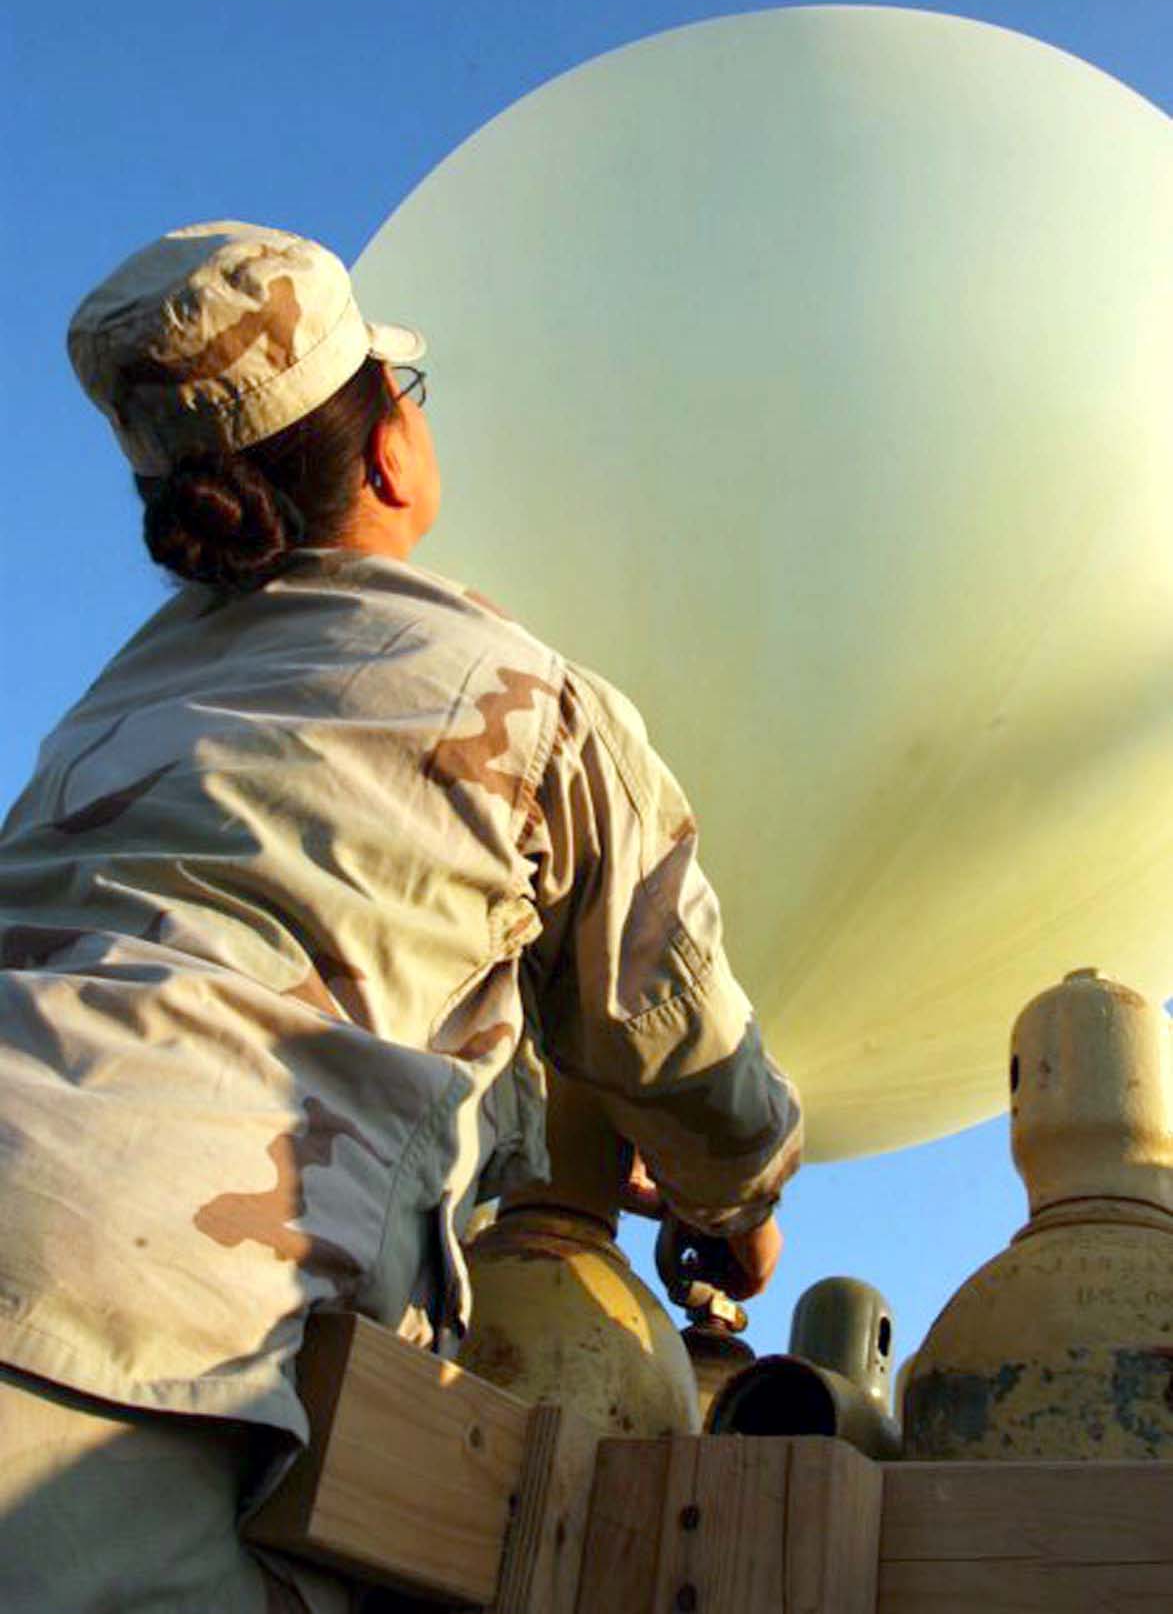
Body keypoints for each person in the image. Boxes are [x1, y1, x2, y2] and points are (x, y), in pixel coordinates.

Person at [0, 222, 802, 1611]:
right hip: (123, 1327)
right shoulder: (520, 693)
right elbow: (678, 1052)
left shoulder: (113, 704)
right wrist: (742, 1202)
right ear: (385, 452)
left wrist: (504, 1131)